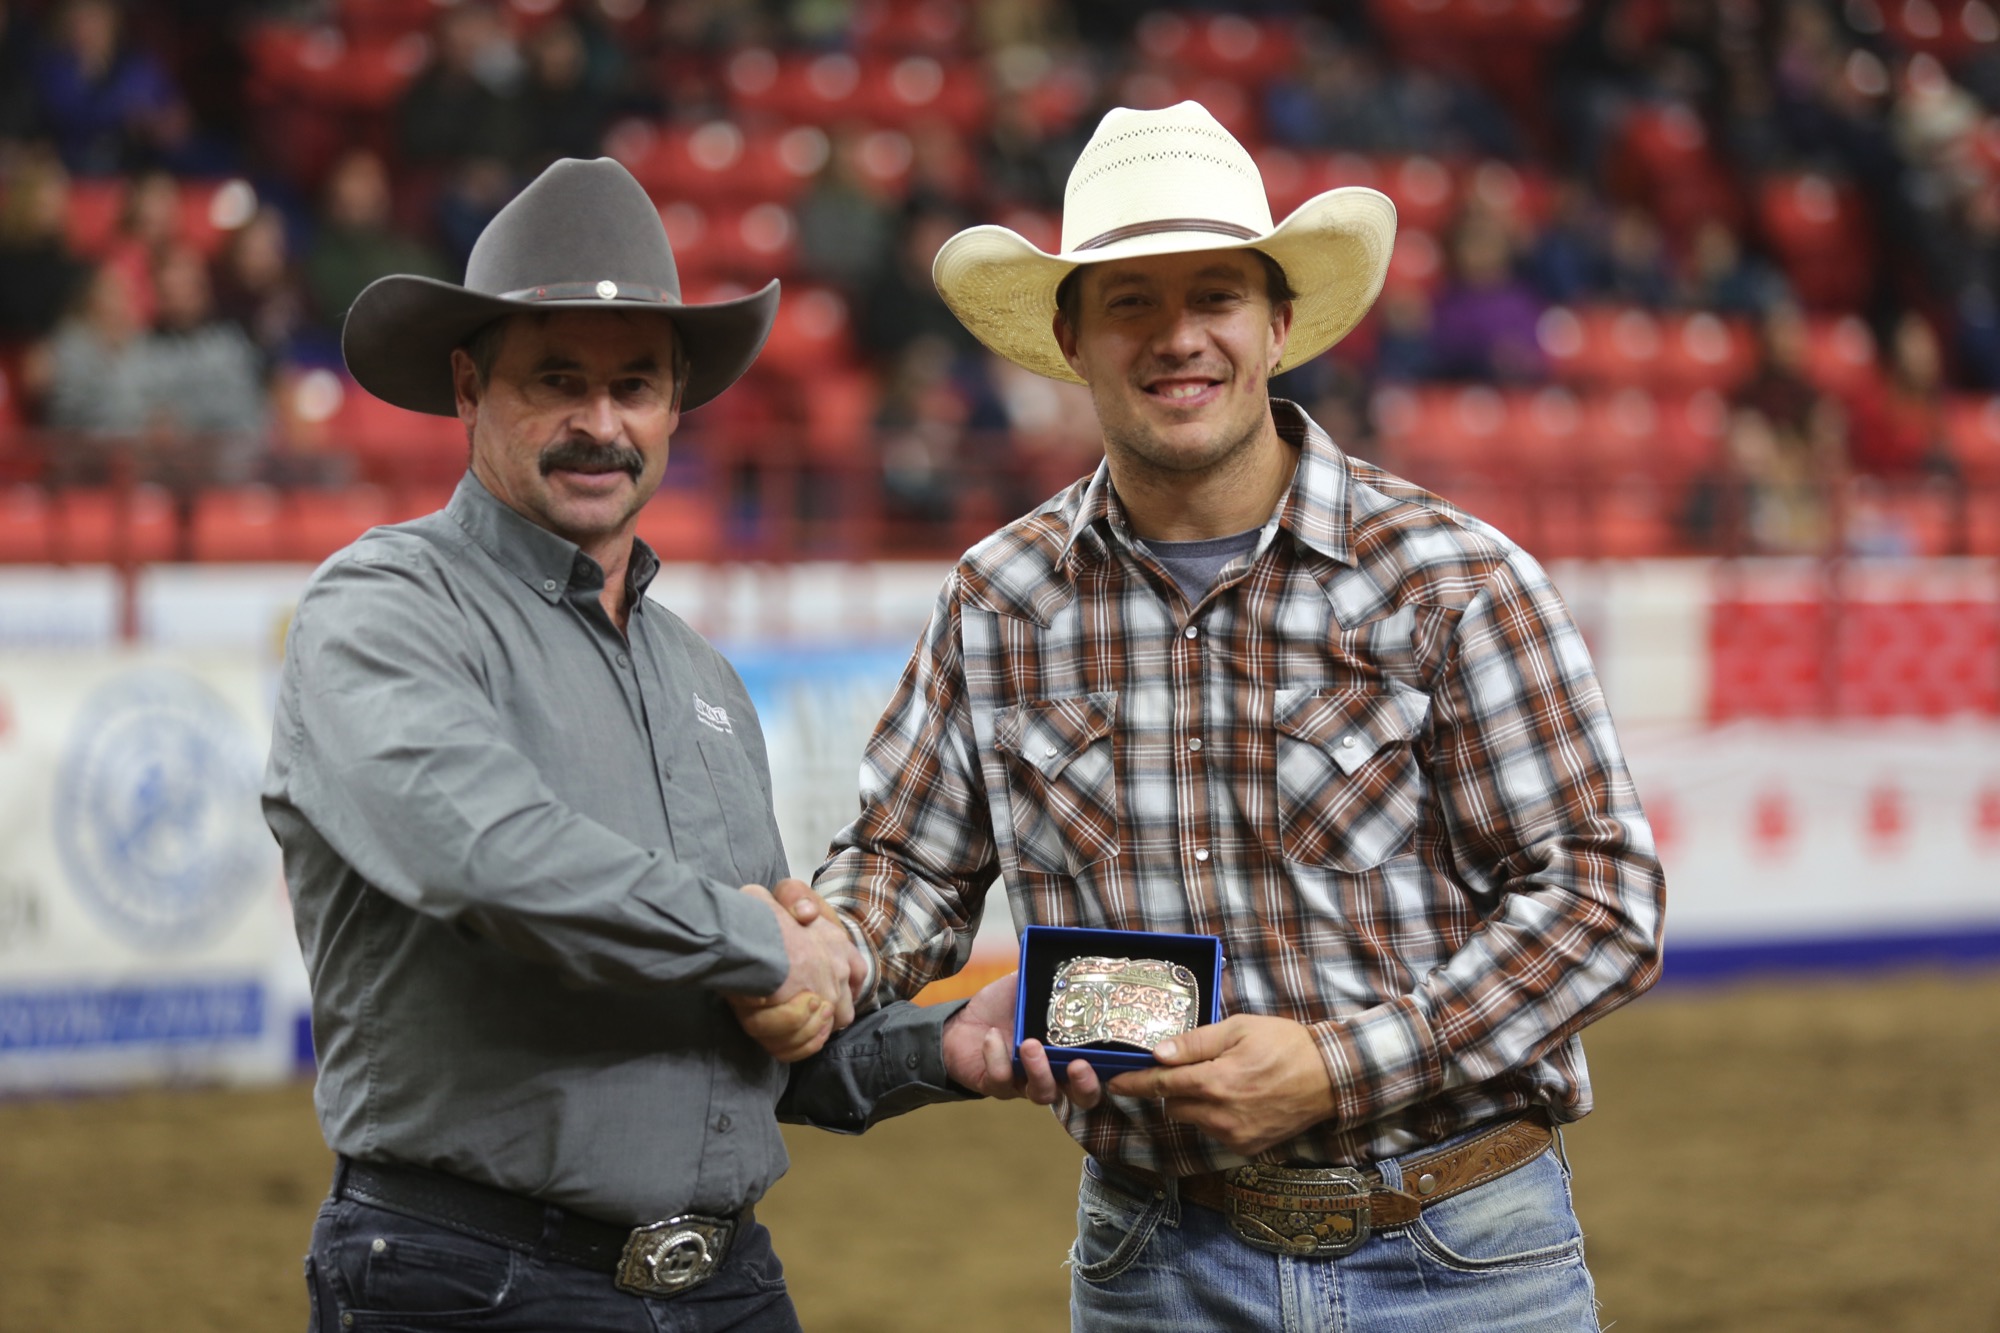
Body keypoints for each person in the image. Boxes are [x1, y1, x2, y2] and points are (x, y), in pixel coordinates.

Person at [813, 101, 1666, 1330]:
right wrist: (823, 951)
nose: (1177, 338)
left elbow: (1600, 899)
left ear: (1274, 325)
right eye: (1130, 302)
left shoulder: (1449, 579)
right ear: (1070, 337)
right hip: (1160, 1254)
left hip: (1458, 1252)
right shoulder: (997, 600)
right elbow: (904, 866)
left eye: (1213, 296)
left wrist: (1332, 1066)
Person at [262, 156, 1041, 1333]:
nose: (600, 422)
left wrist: (937, 1046)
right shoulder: (382, 608)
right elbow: (485, 854)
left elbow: (748, 1029)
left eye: (633, 384)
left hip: (722, 1283)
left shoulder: (700, 678)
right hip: (470, 1283)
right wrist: (763, 945)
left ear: (676, 404)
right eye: (556, 380)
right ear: (469, 385)